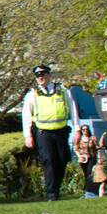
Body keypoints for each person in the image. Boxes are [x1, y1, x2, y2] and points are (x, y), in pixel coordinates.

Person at [21, 64, 75, 201]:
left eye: (43, 75)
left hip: (61, 131)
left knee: (62, 160)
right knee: (48, 161)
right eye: (38, 76)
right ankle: (52, 193)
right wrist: (27, 136)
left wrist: (78, 129)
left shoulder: (62, 91)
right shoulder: (32, 95)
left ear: (49, 75)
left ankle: (55, 187)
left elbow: (74, 111)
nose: (40, 78)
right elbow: (26, 116)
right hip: (43, 133)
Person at [73, 125, 98, 198]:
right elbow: (76, 149)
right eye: (83, 129)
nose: (85, 131)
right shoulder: (79, 139)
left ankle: (89, 189)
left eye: (86, 129)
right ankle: (86, 188)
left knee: (90, 172)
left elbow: (97, 147)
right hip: (83, 159)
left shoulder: (92, 138)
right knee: (85, 174)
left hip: (91, 157)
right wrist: (79, 156)